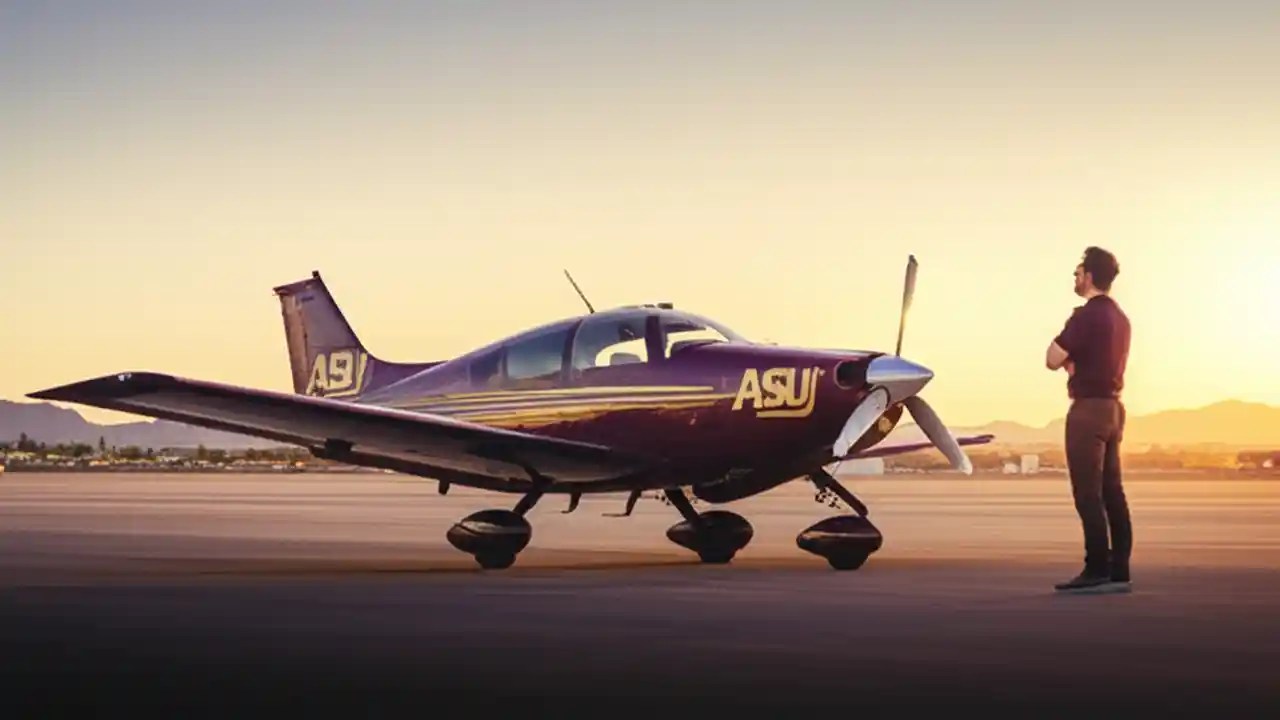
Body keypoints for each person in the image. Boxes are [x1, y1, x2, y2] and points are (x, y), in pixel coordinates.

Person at [1045, 246, 1132, 593]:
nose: (1075, 278)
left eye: (1078, 273)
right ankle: (1119, 568)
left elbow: (1052, 358)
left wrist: (1070, 362)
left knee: (1087, 492)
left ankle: (1095, 566)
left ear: (1090, 276)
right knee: (1113, 490)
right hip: (1114, 409)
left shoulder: (1085, 317)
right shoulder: (1121, 318)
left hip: (1087, 411)